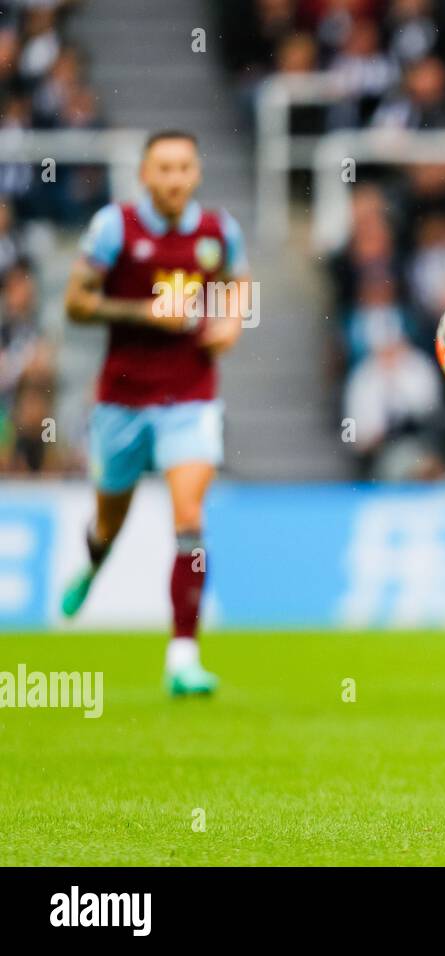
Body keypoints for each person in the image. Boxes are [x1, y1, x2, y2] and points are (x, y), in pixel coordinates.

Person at [60, 130, 252, 697]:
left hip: (190, 397)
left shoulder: (219, 232)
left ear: (196, 174)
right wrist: (144, 313)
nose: (173, 178)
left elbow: (238, 284)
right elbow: (75, 303)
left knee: (189, 516)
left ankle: (183, 655)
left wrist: (232, 322)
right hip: (121, 401)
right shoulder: (114, 227)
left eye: (183, 168)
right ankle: (95, 558)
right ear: (145, 174)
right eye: (162, 168)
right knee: (109, 520)